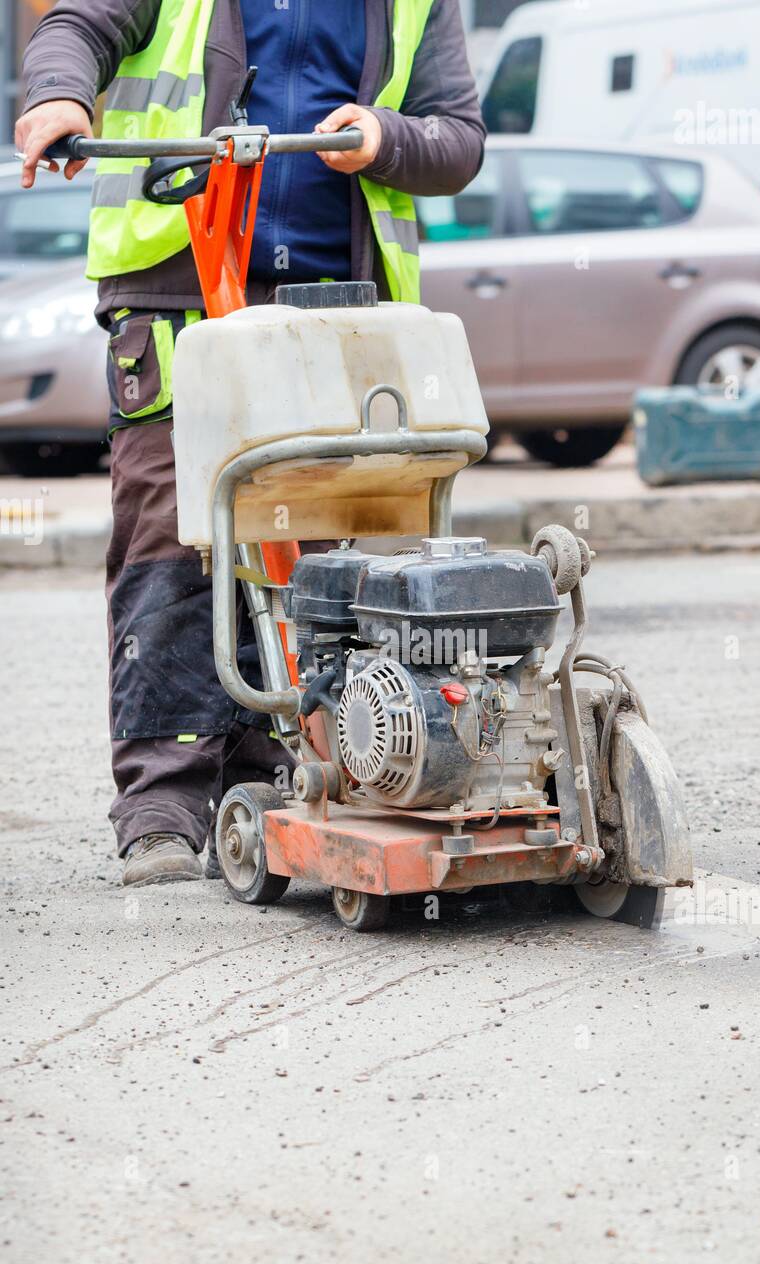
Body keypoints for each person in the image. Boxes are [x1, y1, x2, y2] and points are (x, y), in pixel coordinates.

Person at [17, 0, 485, 887]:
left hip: (335, 310)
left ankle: (287, 760)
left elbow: (458, 139)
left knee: (321, 548)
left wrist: (386, 138)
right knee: (173, 533)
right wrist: (59, 97)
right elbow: (77, 25)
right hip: (174, 288)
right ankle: (161, 798)